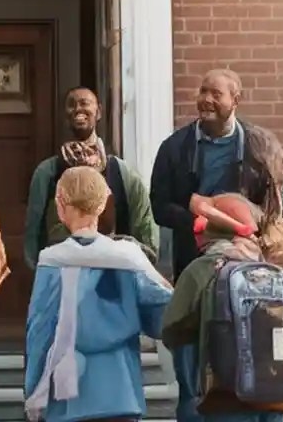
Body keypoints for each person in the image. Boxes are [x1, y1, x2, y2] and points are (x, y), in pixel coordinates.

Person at [149, 69, 281, 422]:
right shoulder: (174, 148)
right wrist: (198, 220)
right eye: (203, 91)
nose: (206, 99)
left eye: (216, 94)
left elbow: (274, 205)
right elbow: (159, 205)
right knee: (191, 371)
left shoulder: (260, 145)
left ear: (235, 100)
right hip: (195, 264)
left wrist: (245, 225)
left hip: (249, 274)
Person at [23, 166, 173, 422]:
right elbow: (164, 317)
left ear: (60, 204)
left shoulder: (52, 262)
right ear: (103, 204)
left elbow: (40, 332)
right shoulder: (129, 258)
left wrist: (33, 392)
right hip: (122, 389)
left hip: (68, 394)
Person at [161, 192, 283, 422]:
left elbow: (173, 330)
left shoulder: (200, 270)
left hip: (223, 400)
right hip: (276, 399)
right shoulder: (272, 272)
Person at [24, 86, 157, 269]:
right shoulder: (47, 173)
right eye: (71, 105)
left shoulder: (123, 174)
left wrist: (127, 255)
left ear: (99, 111)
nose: (78, 109)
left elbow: (147, 238)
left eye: (85, 103)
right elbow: (32, 237)